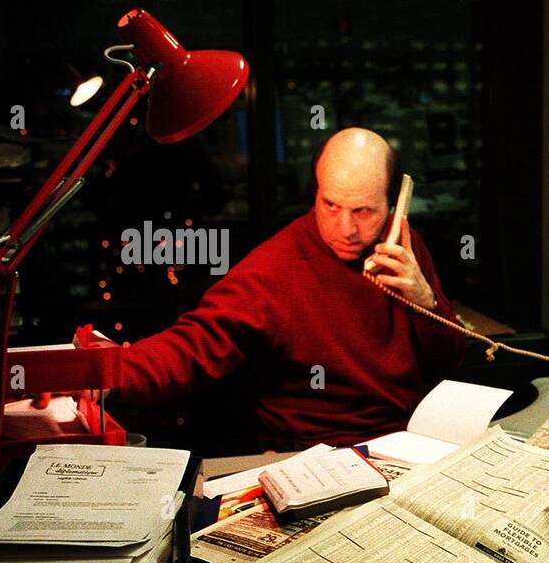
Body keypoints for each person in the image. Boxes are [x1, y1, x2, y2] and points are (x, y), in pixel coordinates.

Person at [114, 128, 466, 448]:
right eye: (330, 205)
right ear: (315, 190)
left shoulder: (403, 247)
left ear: (394, 204)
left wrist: (427, 301)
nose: (345, 228)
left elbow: (449, 362)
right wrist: (104, 372)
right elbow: (191, 347)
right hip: (317, 453)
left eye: (364, 211)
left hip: (406, 442)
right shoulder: (276, 267)